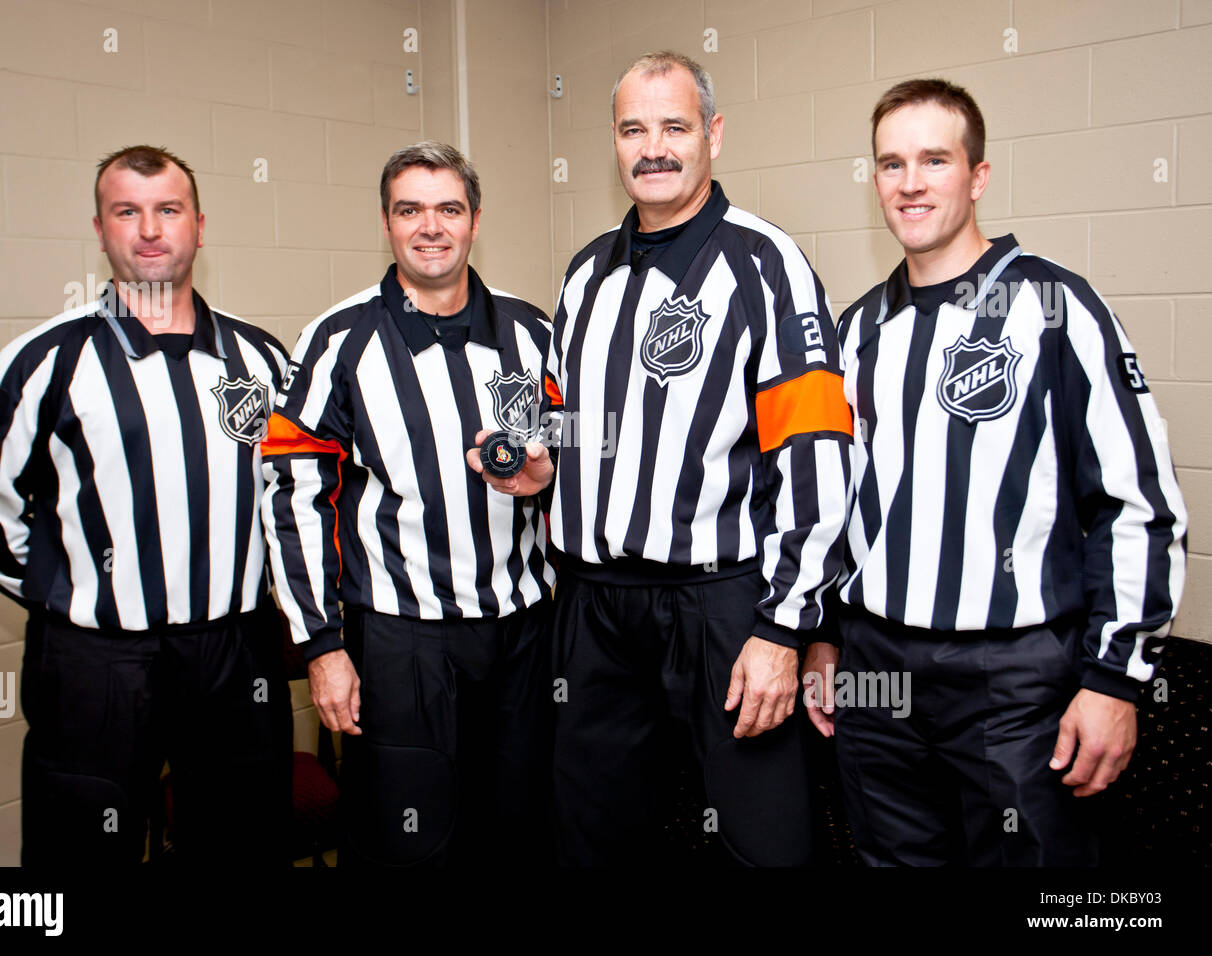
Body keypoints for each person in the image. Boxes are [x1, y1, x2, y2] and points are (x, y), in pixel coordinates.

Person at [468, 52, 852, 866]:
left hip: (721, 603)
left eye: (674, 127)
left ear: (712, 134)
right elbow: (573, 424)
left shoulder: (766, 264)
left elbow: (819, 455)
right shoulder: (585, 275)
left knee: (765, 842)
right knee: (593, 836)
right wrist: (541, 473)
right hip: (596, 608)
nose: (653, 148)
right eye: (633, 129)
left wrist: (785, 628)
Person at [802, 78, 1188, 865]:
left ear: (977, 176)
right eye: (891, 163)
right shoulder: (858, 330)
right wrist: (825, 640)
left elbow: (1137, 502)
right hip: (877, 668)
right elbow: (840, 500)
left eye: (934, 160)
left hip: (1014, 677)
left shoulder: (1057, 307)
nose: (910, 183)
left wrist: (1116, 679)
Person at [0, 145, 292, 866]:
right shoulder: (40, 362)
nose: (150, 230)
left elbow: (295, 498)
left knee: (242, 845)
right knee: (81, 849)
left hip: (234, 651)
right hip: (97, 659)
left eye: (168, 210)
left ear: (199, 225)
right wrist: (69, 590)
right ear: (100, 229)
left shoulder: (263, 360)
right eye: (127, 211)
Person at [260, 142, 555, 867]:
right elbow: (293, 497)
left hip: (521, 636)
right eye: (410, 210)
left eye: (448, 208)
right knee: (409, 842)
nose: (431, 227)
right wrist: (322, 648)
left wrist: (553, 474)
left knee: (517, 829)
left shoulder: (533, 332)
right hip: (400, 642)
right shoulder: (337, 341)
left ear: (475, 220)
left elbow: (575, 459)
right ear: (388, 224)